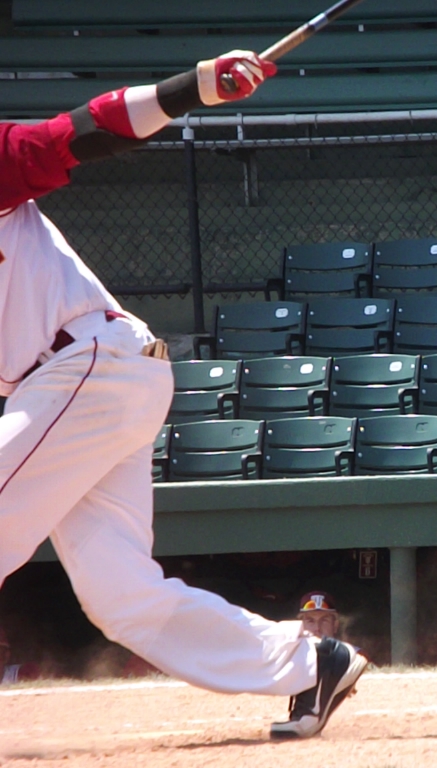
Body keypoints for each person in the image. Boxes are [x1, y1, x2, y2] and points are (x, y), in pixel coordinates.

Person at [0, 51, 367, 739]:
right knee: (120, 596)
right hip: (80, 388)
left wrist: (191, 88)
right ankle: (310, 661)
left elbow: (79, 131)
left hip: (88, 367)